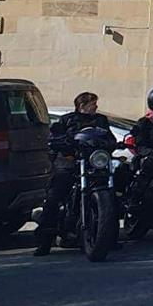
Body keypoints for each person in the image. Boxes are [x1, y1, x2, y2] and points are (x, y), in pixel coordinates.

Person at [33, 91, 109, 256]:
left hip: (93, 163)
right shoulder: (67, 120)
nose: (96, 106)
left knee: (111, 192)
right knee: (55, 195)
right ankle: (45, 240)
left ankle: (109, 236)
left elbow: (109, 137)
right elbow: (55, 137)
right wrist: (59, 142)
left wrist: (113, 144)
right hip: (70, 162)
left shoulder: (101, 120)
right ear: (82, 106)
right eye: (92, 103)